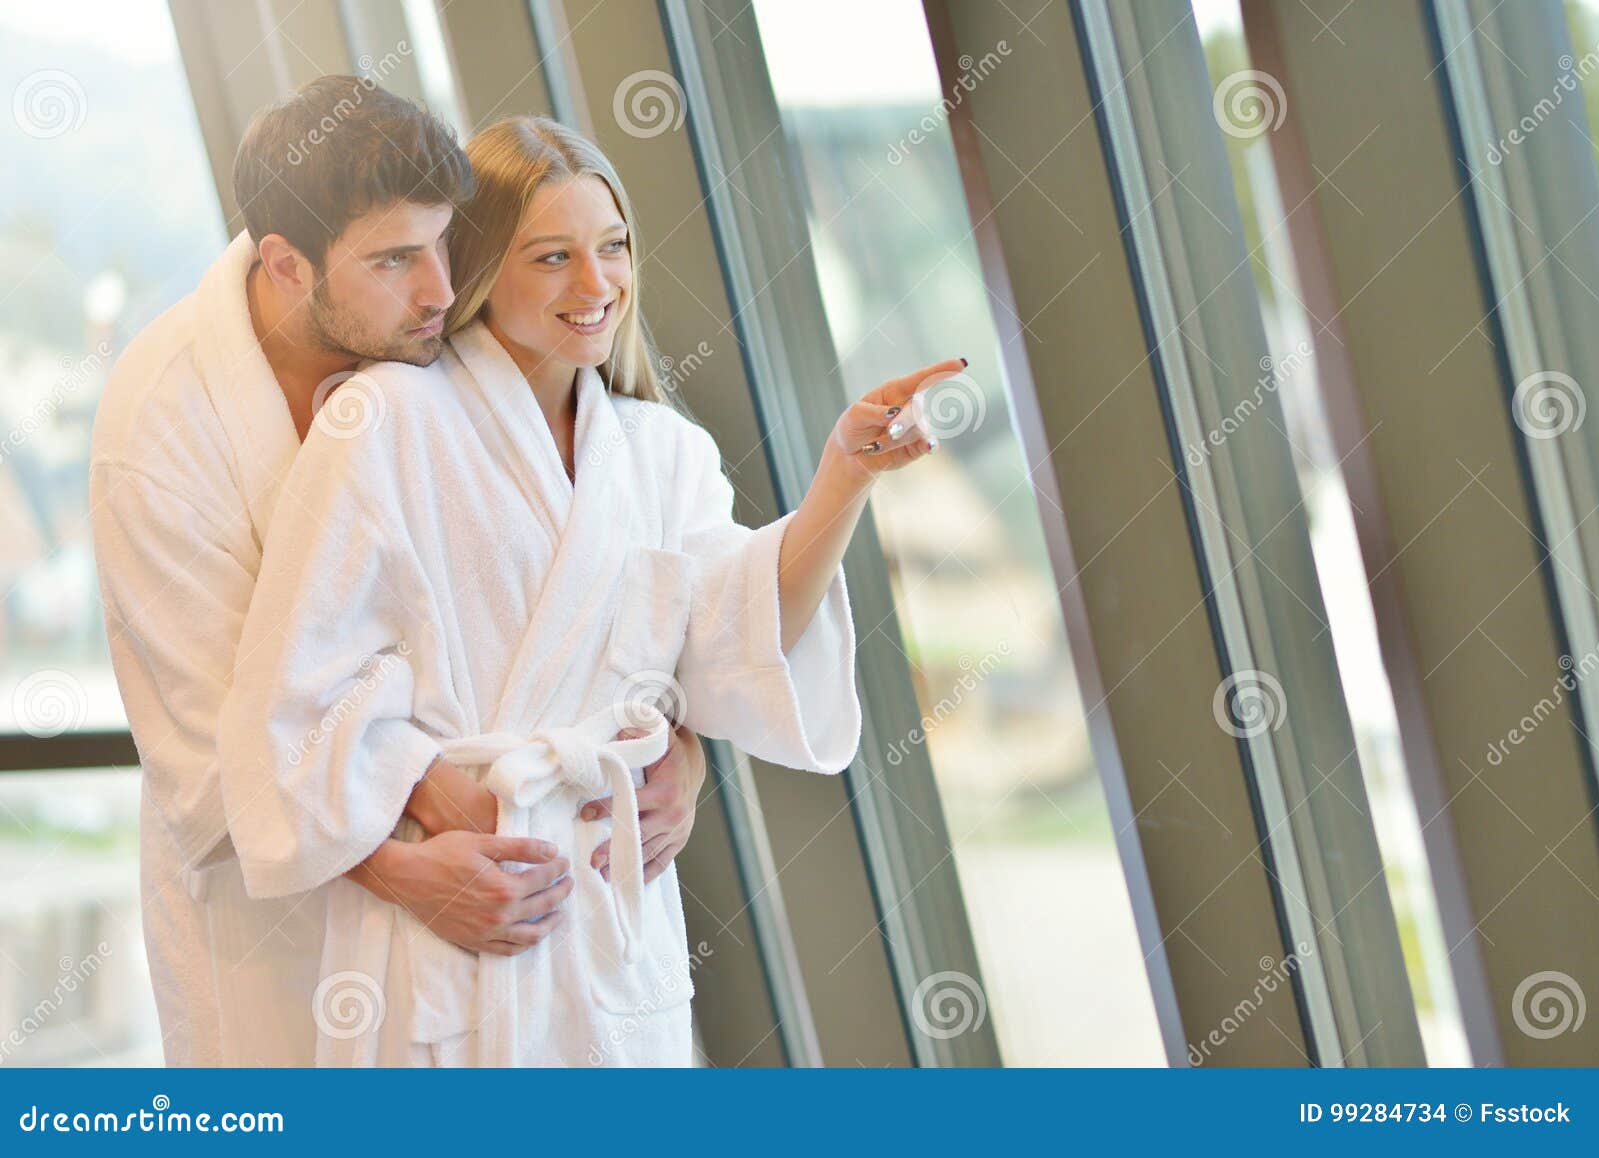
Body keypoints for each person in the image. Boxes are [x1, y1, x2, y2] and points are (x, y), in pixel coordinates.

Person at [216, 114, 960, 1066]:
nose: (596, 284)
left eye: (613, 249)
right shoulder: (386, 419)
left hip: (613, 929)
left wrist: (842, 478)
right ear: (480, 266)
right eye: (552, 257)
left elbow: (739, 635)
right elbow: (293, 690)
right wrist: (404, 830)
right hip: (458, 920)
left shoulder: (663, 453)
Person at [89, 79, 706, 1066]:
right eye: (393, 260)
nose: (437, 287)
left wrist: (678, 745)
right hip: (277, 916)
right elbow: (210, 740)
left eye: (445, 245)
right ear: (287, 266)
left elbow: (575, 573)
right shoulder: (163, 435)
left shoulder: (422, 341)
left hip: (506, 896)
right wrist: (399, 863)